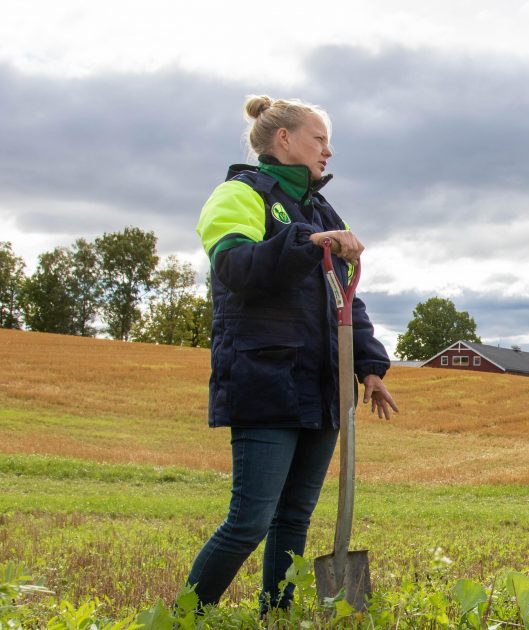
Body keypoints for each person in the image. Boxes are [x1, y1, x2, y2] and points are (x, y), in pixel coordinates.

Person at [186, 95, 399, 612]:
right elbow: (236, 268)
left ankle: (275, 614)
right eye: (319, 139)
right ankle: (181, 618)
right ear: (284, 139)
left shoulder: (321, 207)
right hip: (265, 377)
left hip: (323, 382)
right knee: (249, 521)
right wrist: (308, 242)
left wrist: (370, 366)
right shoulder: (238, 195)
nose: (328, 151)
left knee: (294, 518)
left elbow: (346, 293)